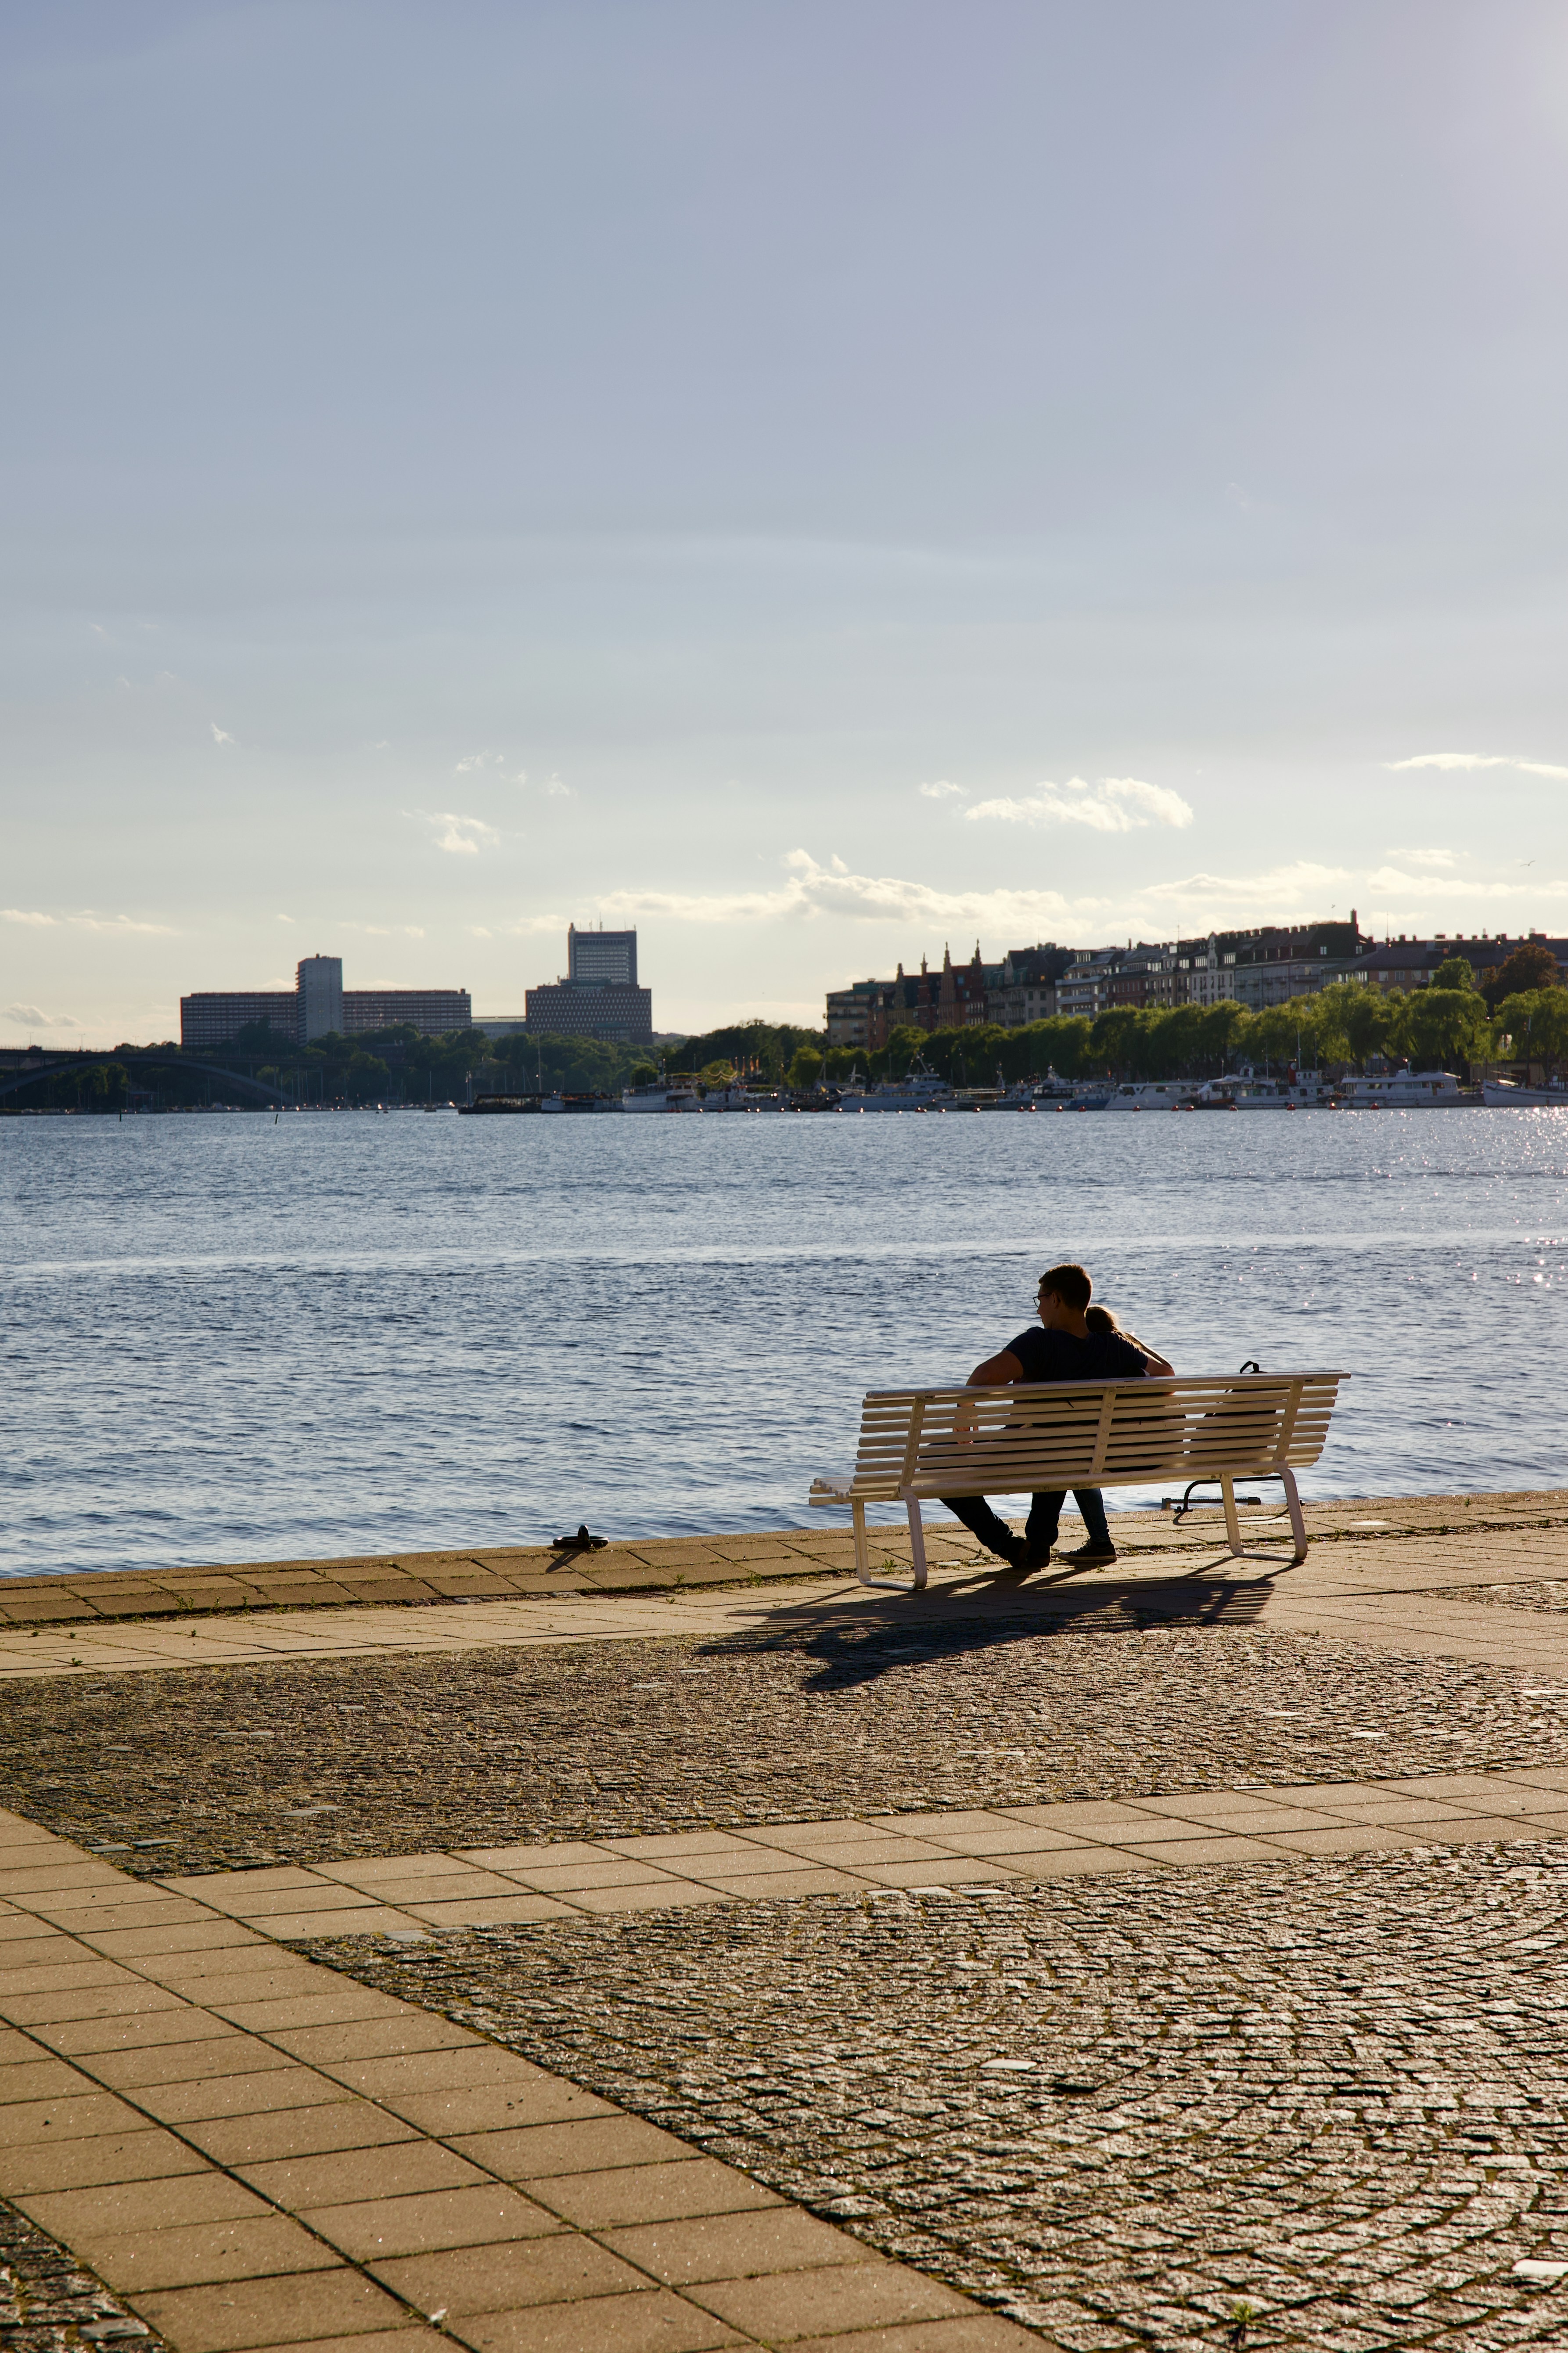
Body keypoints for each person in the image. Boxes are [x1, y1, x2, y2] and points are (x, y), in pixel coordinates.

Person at [941, 1262, 1172, 1572]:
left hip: (1030, 1457)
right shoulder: (1114, 1345)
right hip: (1082, 1457)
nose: (1038, 1310)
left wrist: (964, 1409)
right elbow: (1166, 1375)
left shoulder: (1039, 1342)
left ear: (1056, 1300)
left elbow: (984, 1375)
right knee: (1062, 1449)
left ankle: (1008, 1544)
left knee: (936, 1462)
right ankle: (1037, 1545)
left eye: (1040, 1300)